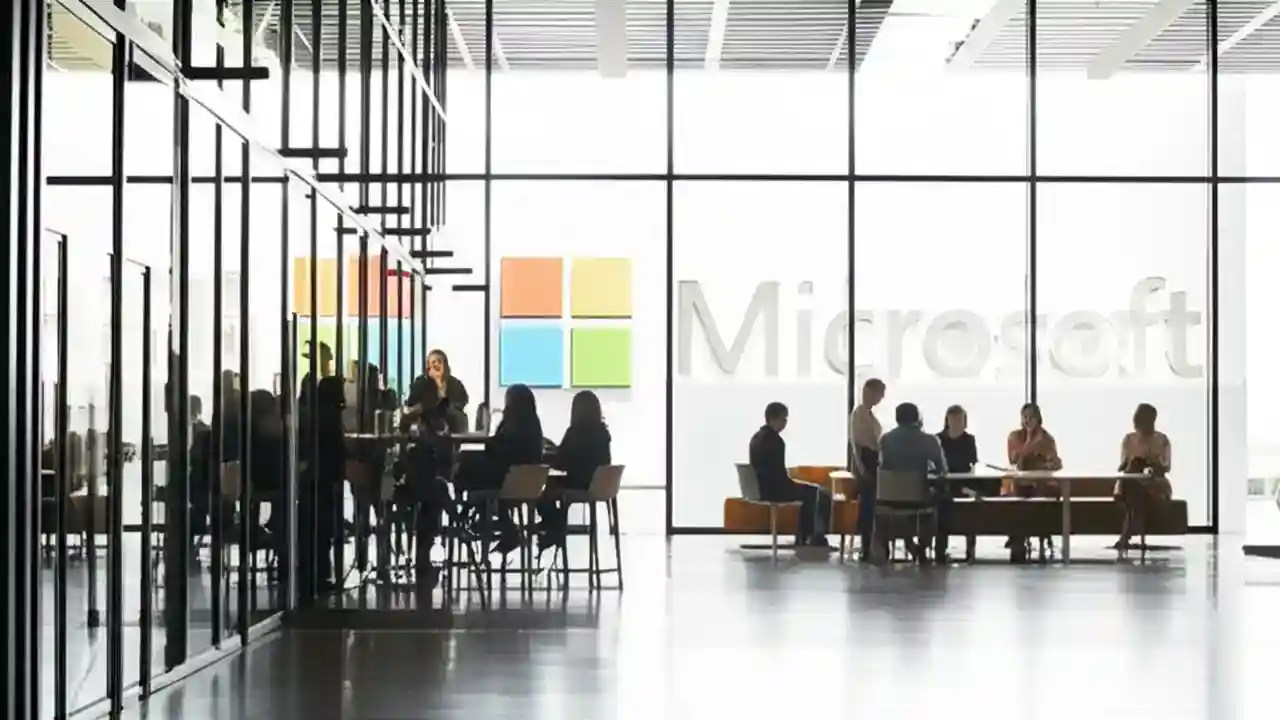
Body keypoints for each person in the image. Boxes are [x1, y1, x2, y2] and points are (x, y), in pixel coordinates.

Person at [454, 384, 545, 554]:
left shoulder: (512, 423)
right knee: (471, 468)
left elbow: (498, 450)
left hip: (505, 479)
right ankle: (481, 516)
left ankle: (467, 513)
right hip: (523, 483)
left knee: (466, 467)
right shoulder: (533, 425)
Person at [749, 402, 832, 550]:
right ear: (774, 419)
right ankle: (813, 536)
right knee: (818, 493)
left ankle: (804, 536)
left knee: (809, 491)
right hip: (774, 490)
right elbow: (780, 476)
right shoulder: (776, 441)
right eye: (784, 418)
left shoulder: (756, 438)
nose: (785, 422)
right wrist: (794, 483)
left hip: (760, 488)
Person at [539, 390, 613, 551]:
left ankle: (554, 525)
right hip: (597, 484)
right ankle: (555, 526)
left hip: (578, 483)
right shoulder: (603, 433)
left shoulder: (575, 432)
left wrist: (551, 453)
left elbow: (561, 462)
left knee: (543, 489)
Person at [879, 402, 948, 563]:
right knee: (939, 503)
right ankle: (925, 547)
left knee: (903, 504)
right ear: (917, 418)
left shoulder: (885, 440)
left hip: (889, 497)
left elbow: (882, 466)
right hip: (918, 497)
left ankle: (907, 543)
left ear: (897, 418)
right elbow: (942, 470)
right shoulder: (929, 440)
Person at [1005, 402, 1062, 561]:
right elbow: (1014, 459)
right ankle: (1018, 539)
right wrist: (1031, 444)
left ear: (1038, 419)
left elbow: (1055, 462)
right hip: (1021, 483)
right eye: (1025, 417)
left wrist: (1047, 461)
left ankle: (1024, 535)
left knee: (1042, 496)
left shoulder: (1047, 438)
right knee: (1016, 496)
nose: (1028, 420)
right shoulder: (1015, 436)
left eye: (1031, 417)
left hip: (1040, 483)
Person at [1115, 403, 1172, 551]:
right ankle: (1135, 537)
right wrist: (1135, 463)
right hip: (1132, 481)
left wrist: (1152, 463)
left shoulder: (1162, 440)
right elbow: (1123, 466)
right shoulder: (1129, 439)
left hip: (1154, 483)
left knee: (1135, 494)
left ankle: (1125, 535)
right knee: (1134, 489)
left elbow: (1166, 466)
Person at [849, 378, 885, 561]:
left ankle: (870, 544)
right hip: (867, 462)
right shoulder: (860, 414)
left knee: (870, 505)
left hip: (871, 461)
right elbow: (859, 445)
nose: (880, 398)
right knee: (868, 506)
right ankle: (866, 545)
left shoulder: (868, 414)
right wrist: (862, 468)